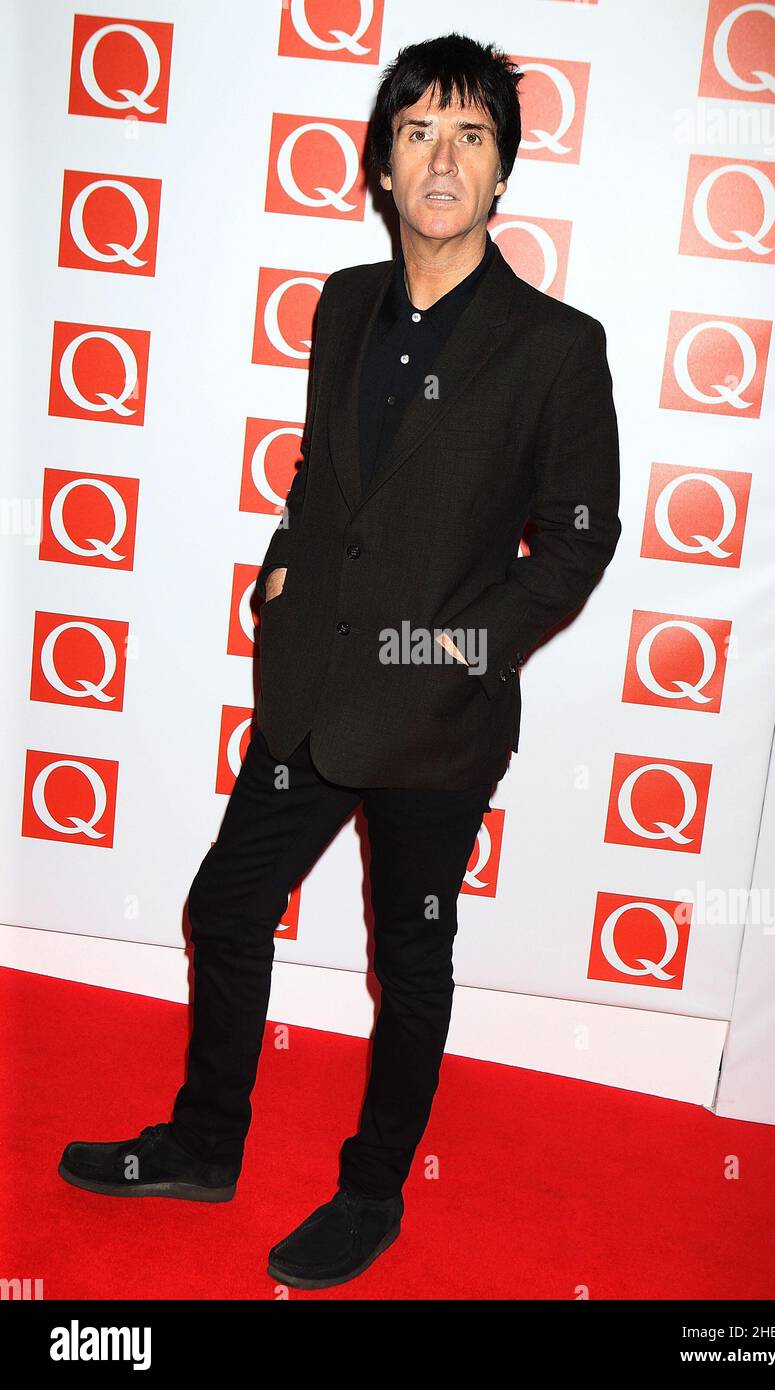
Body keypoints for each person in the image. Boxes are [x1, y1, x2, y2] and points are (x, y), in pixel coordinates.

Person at [58, 32, 622, 1291]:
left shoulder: (554, 347)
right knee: (224, 906)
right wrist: (280, 560)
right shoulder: (343, 302)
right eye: (418, 129)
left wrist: (451, 653)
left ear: (502, 176)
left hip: (436, 724)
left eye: (472, 135)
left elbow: (578, 543)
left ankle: (372, 1191)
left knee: (408, 958)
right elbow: (326, 475)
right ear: (380, 166)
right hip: (311, 693)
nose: (442, 156)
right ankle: (206, 1143)